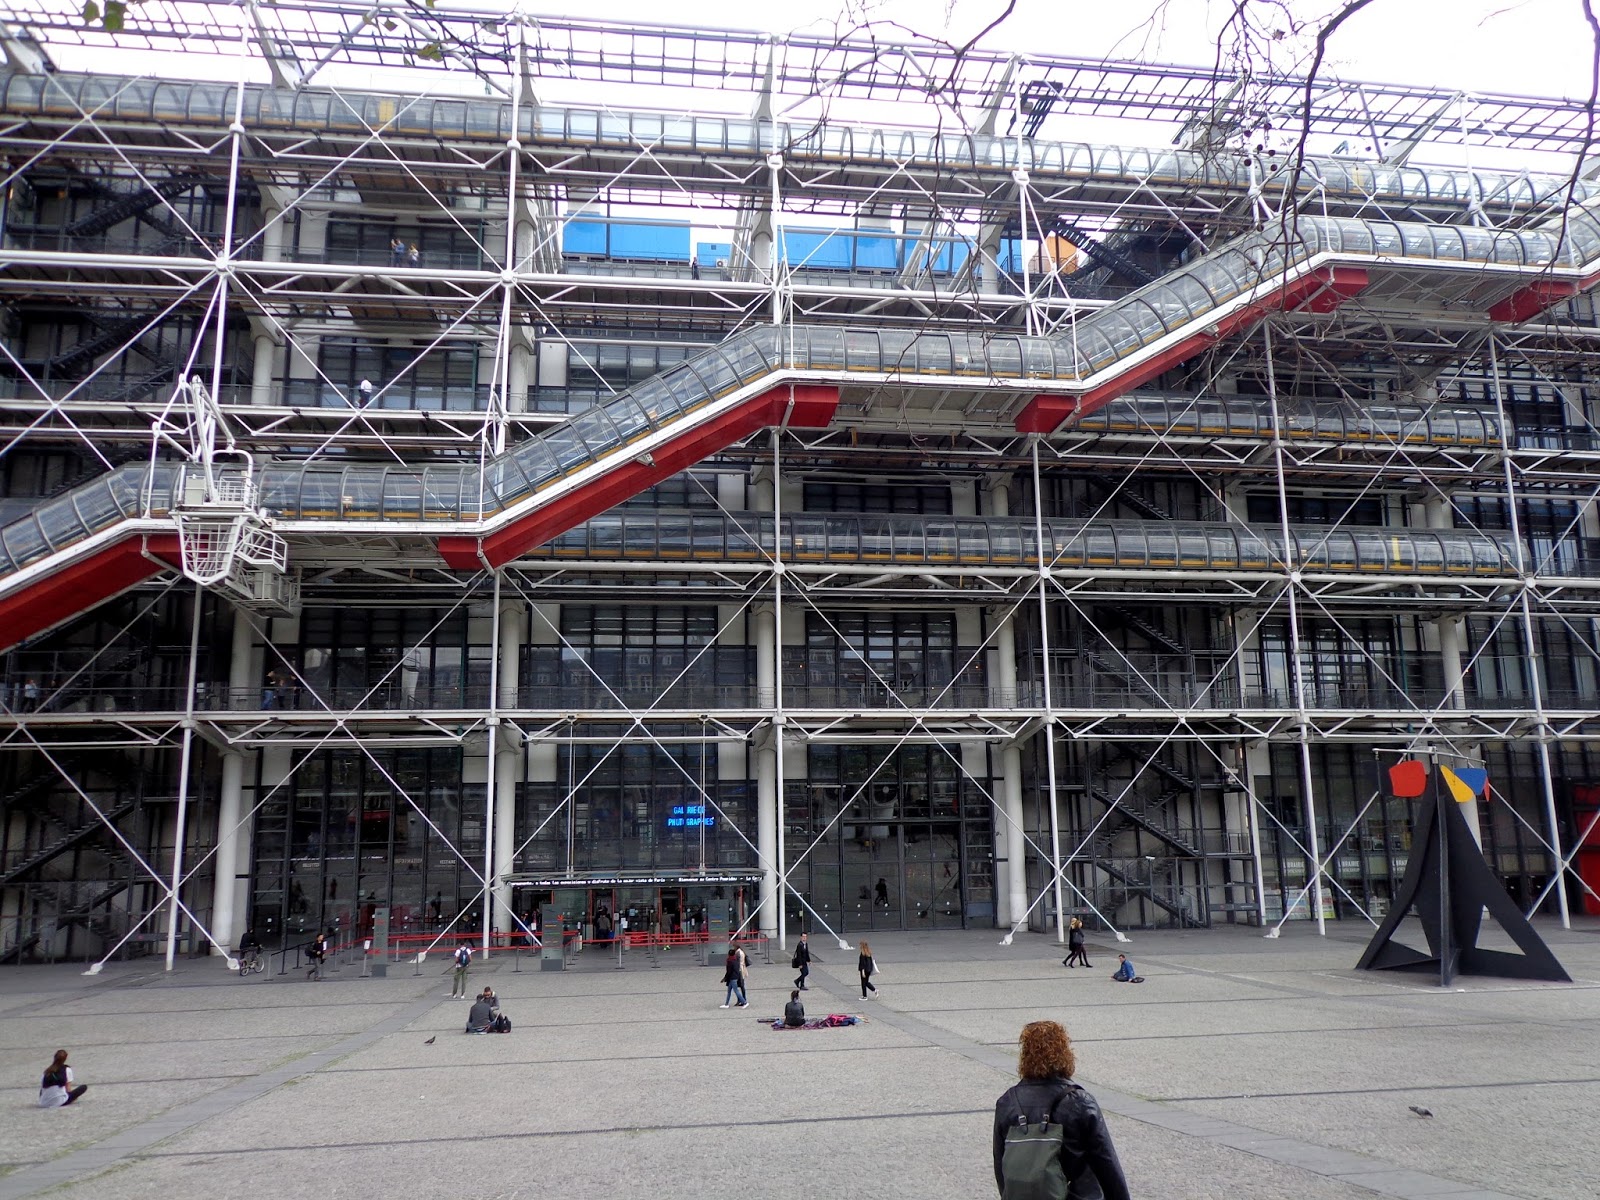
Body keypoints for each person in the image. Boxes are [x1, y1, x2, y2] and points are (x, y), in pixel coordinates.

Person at [992, 1020, 1129, 1200]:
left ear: (1025, 1056)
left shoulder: (1007, 1103)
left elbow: (1002, 1165)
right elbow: (1107, 1165)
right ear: (1064, 1053)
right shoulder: (1080, 1102)